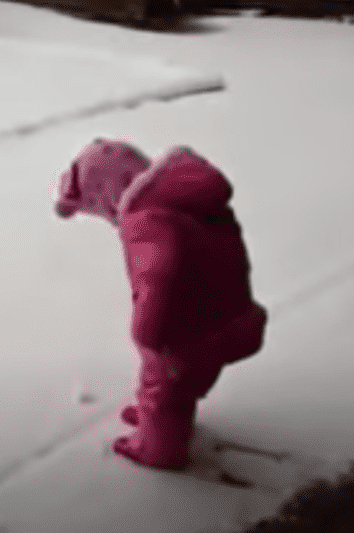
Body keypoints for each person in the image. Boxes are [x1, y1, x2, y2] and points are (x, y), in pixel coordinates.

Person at [53, 138, 267, 470]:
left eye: (98, 208)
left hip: (188, 329)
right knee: (173, 384)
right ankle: (163, 418)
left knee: (165, 390)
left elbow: (159, 274)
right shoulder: (179, 199)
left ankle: (159, 451)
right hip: (224, 313)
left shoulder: (146, 219)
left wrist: (147, 333)